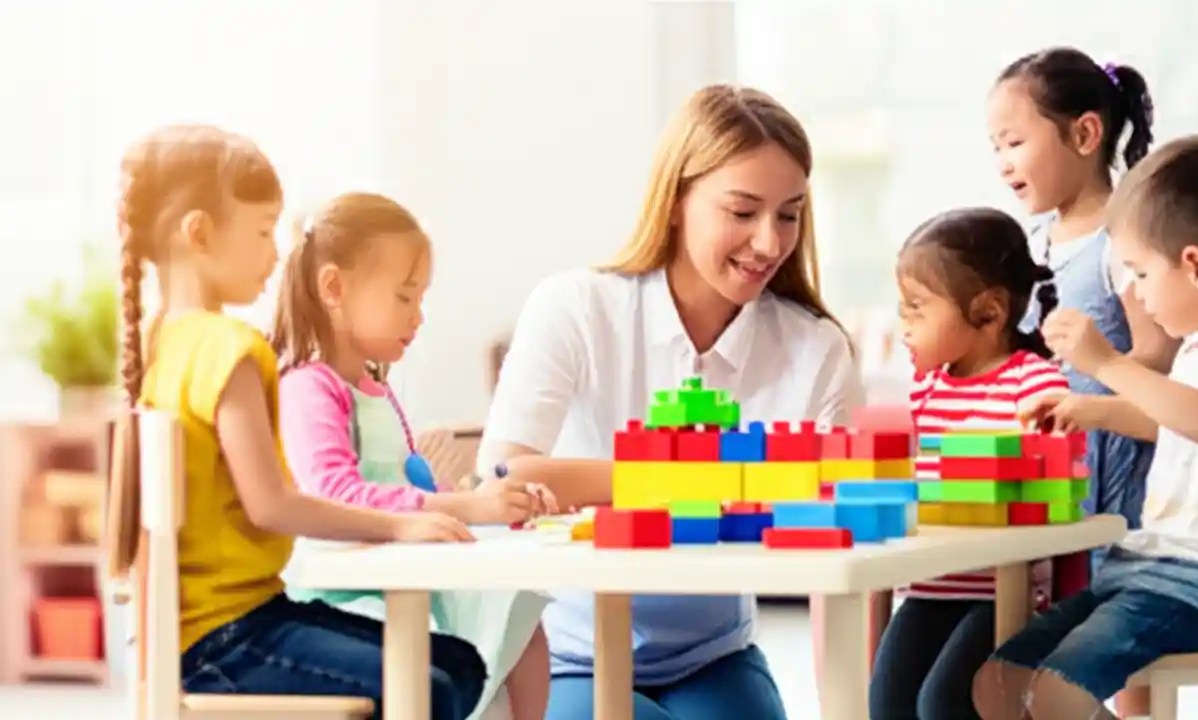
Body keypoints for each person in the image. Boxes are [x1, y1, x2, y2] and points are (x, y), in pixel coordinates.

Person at [474, 84, 862, 720]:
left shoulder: (816, 347)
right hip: (570, 653)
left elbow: (840, 519)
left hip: (714, 658)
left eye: (788, 214)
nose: (768, 242)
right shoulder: (576, 307)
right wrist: (688, 477)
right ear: (677, 201)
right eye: (742, 212)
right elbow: (502, 481)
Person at [104, 124, 486, 719]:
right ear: (200, 234)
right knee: (432, 685)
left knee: (455, 665)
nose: (275, 253)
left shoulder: (164, 342)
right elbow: (274, 505)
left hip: (230, 623)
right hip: (224, 641)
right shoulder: (227, 349)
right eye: (261, 231)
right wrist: (400, 524)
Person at [972, 135, 1198, 720]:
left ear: (1196, 266)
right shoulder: (1197, 349)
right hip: (1146, 567)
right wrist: (1086, 408)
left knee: (1057, 692)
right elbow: (1174, 424)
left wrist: (1105, 365)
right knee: (1000, 681)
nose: (1133, 291)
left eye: (1139, 273)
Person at [272, 191, 555, 720]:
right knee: (431, 651)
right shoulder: (310, 387)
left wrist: (484, 499)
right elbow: (332, 493)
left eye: (420, 298)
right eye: (404, 298)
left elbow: (411, 484)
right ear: (334, 288)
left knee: (517, 607)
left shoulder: (374, 386)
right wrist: (465, 510)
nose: (418, 316)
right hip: (346, 590)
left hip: (402, 569)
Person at [868, 207, 1070, 719]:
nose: (905, 326)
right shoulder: (929, 387)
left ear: (988, 312)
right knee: (886, 701)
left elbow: (1050, 483)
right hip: (931, 584)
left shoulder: (1034, 384)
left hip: (1002, 593)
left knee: (944, 701)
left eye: (917, 309)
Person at [988, 47, 1180, 534]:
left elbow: (1159, 354)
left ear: (1085, 134)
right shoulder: (1033, 243)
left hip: (1109, 456)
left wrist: (1089, 375)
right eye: (996, 149)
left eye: (1013, 143)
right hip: (1047, 459)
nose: (1003, 165)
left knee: (1093, 577)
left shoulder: (1125, 241)